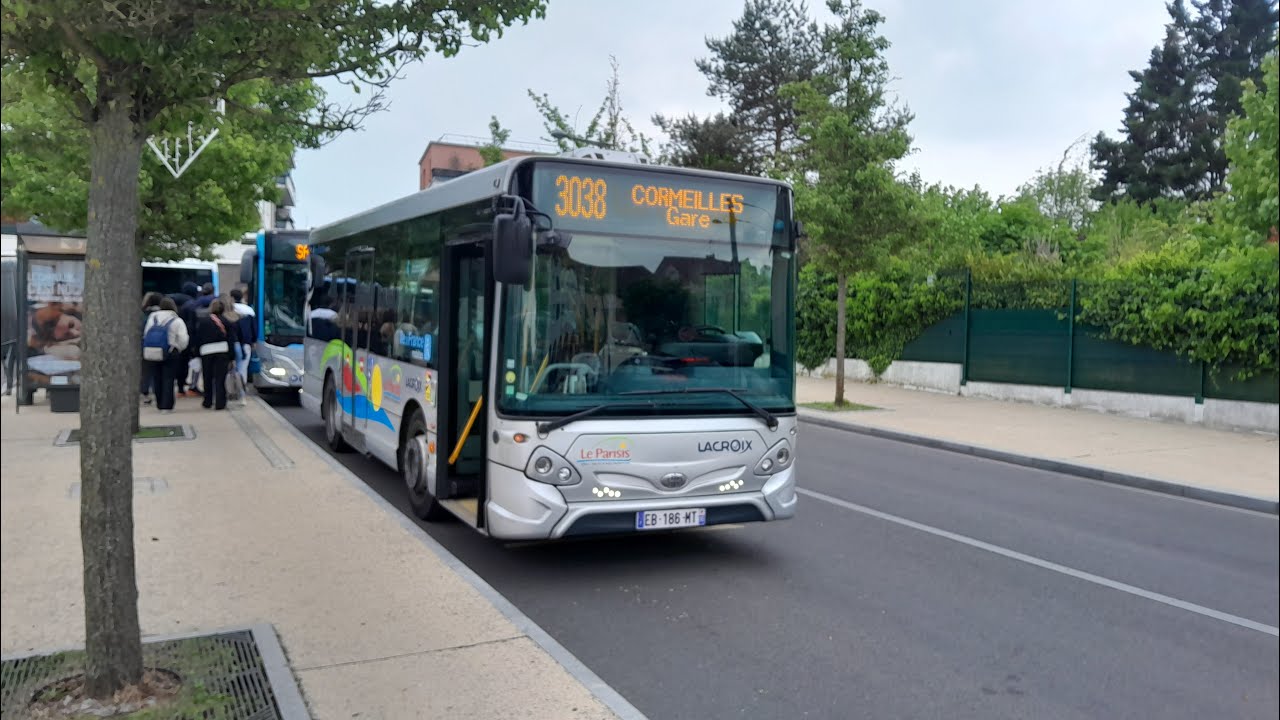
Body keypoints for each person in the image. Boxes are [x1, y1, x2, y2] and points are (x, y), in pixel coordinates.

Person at [142, 297, 188, 413]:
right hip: (170, 351)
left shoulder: (153, 317)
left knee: (156, 377)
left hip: (153, 351)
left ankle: (159, 402)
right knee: (168, 378)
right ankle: (167, 405)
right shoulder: (177, 320)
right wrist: (179, 348)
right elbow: (183, 339)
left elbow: (146, 332)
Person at [193, 298, 239, 410]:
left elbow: (197, 338)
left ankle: (207, 401)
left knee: (207, 378)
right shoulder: (227, 322)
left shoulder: (203, 322)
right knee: (220, 378)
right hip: (222, 352)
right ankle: (220, 403)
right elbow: (231, 340)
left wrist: (196, 353)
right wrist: (232, 356)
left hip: (206, 352)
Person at [181, 282, 216, 397]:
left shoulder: (190, 305)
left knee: (195, 363)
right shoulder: (216, 303)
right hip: (213, 339)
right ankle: (212, 390)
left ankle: (192, 386)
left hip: (194, 337)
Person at [139, 292, 163, 405]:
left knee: (145, 370)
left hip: (144, 345)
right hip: (161, 346)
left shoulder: (142, 314)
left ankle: (145, 392)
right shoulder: (163, 314)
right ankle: (158, 392)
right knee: (159, 370)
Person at [229, 287, 257, 383]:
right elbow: (254, 329)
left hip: (230, 344)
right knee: (242, 368)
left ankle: (231, 389)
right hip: (245, 344)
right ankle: (241, 391)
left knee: (231, 369)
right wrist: (253, 341)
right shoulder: (249, 310)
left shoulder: (229, 309)